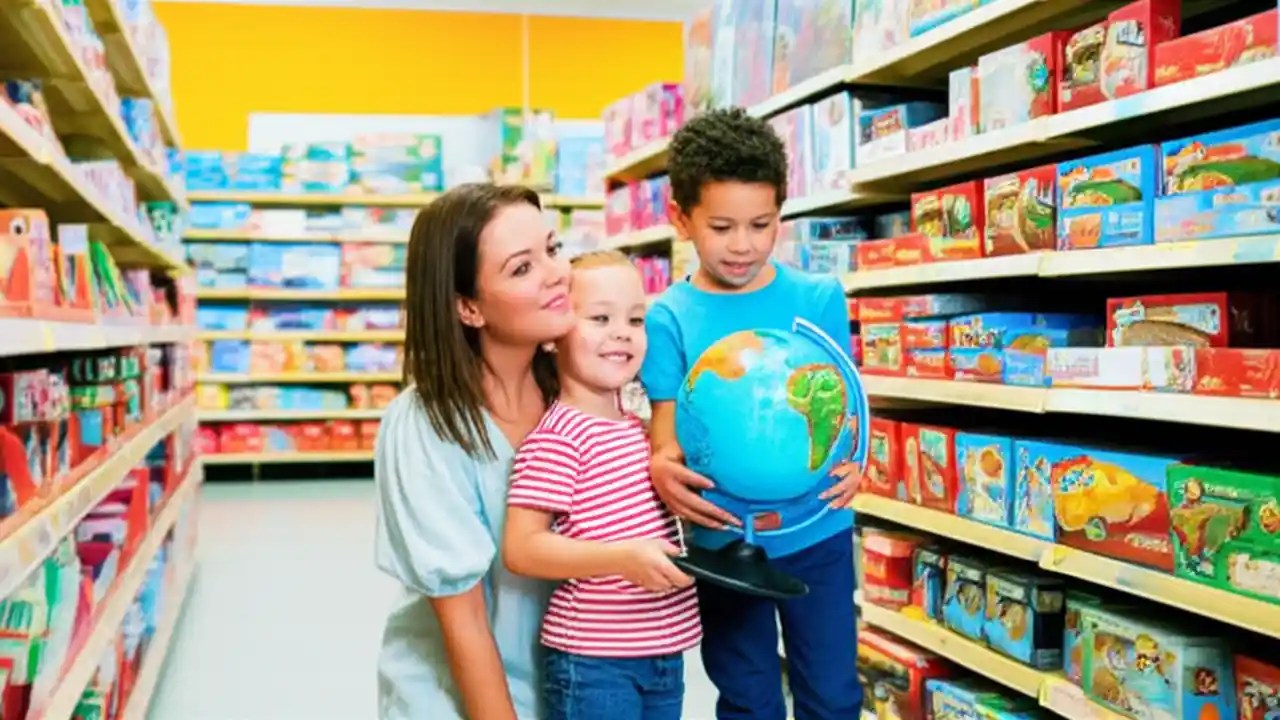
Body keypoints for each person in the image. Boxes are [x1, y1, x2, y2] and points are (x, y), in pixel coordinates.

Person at [639, 107, 863, 720]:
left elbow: (844, 411)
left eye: (761, 224)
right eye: (721, 226)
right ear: (680, 217)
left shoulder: (819, 299)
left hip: (818, 530)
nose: (742, 244)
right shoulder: (668, 318)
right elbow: (666, 439)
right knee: (747, 697)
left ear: (781, 215)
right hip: (721, 538)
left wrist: (857, 464)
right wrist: (663, 471)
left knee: (834, 693)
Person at [373, 183, 575, 720]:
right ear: (467, 307)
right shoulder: (425, 426)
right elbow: (463, 625)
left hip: (571, 689)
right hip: (458, 699)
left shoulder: (585, 397)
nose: (557, 274)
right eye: (521, 268)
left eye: (552, 250)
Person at [502, 250, 701, 720]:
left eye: (635, 319)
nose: (621, 332)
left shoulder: (642, 430)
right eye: (599, 317)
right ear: (554, 336)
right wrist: (621, 558)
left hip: (663, 654)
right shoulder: (560, 437)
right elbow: (522, 547)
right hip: (593, 661)